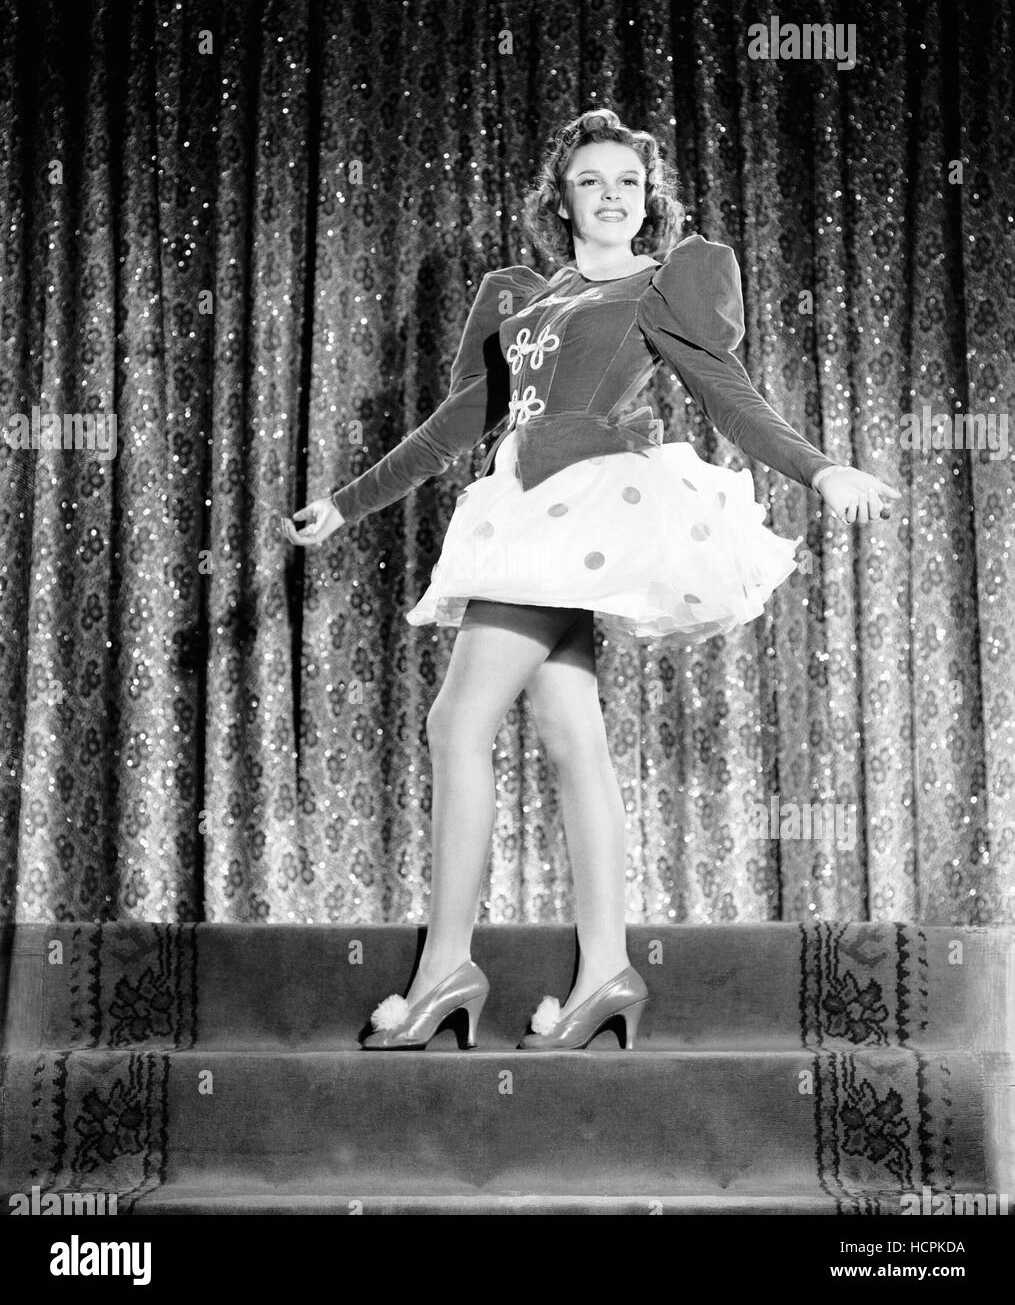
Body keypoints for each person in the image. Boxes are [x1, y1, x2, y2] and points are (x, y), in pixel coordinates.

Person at [284, 109, 902, 1052]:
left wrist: (822, 469)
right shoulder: (518, 295)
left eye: (627, 182)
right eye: (591, 181)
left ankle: (447, 965)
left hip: (580, 512)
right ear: (559, 199)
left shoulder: (662, 289)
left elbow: (732, 401)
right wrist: (346, 502)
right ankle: (606, 966)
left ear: (647, 198)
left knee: (456, 722)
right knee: (573, 735)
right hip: (522, 502)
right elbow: (459, 423)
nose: (612, 196)